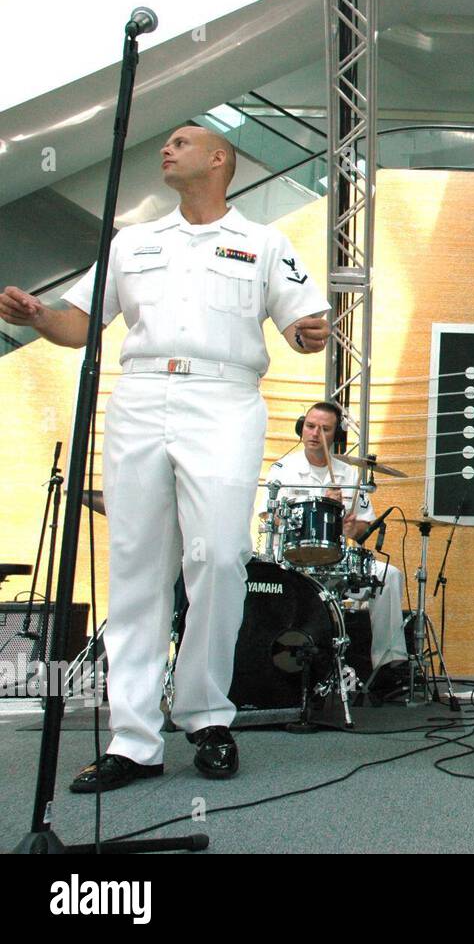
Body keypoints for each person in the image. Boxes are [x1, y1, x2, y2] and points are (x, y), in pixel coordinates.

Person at [1, 125, 330, 791]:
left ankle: (207, 713)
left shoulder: (264, 244)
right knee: (137, 567)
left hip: (225, 399)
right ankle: (134, 739)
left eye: (182, 141)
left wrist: (307, 333)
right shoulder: (133, 242)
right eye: (166, 141)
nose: (166, 148)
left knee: (216, 556)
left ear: (219, 160)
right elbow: (80, 324)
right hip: (143, 395)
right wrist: (38, 317)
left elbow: (305, 331)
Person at [263, 401, 409, 692]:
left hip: (337, 559)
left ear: (335, 436)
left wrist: (346, 523)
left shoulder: (349, 475)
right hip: (293, 561)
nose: (315, 433)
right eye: (310, 426)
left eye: (324, 429)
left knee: (389, 575)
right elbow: (270, 519)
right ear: (301, 427)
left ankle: (388, 667)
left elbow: (362, 529)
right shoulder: (282, 469)